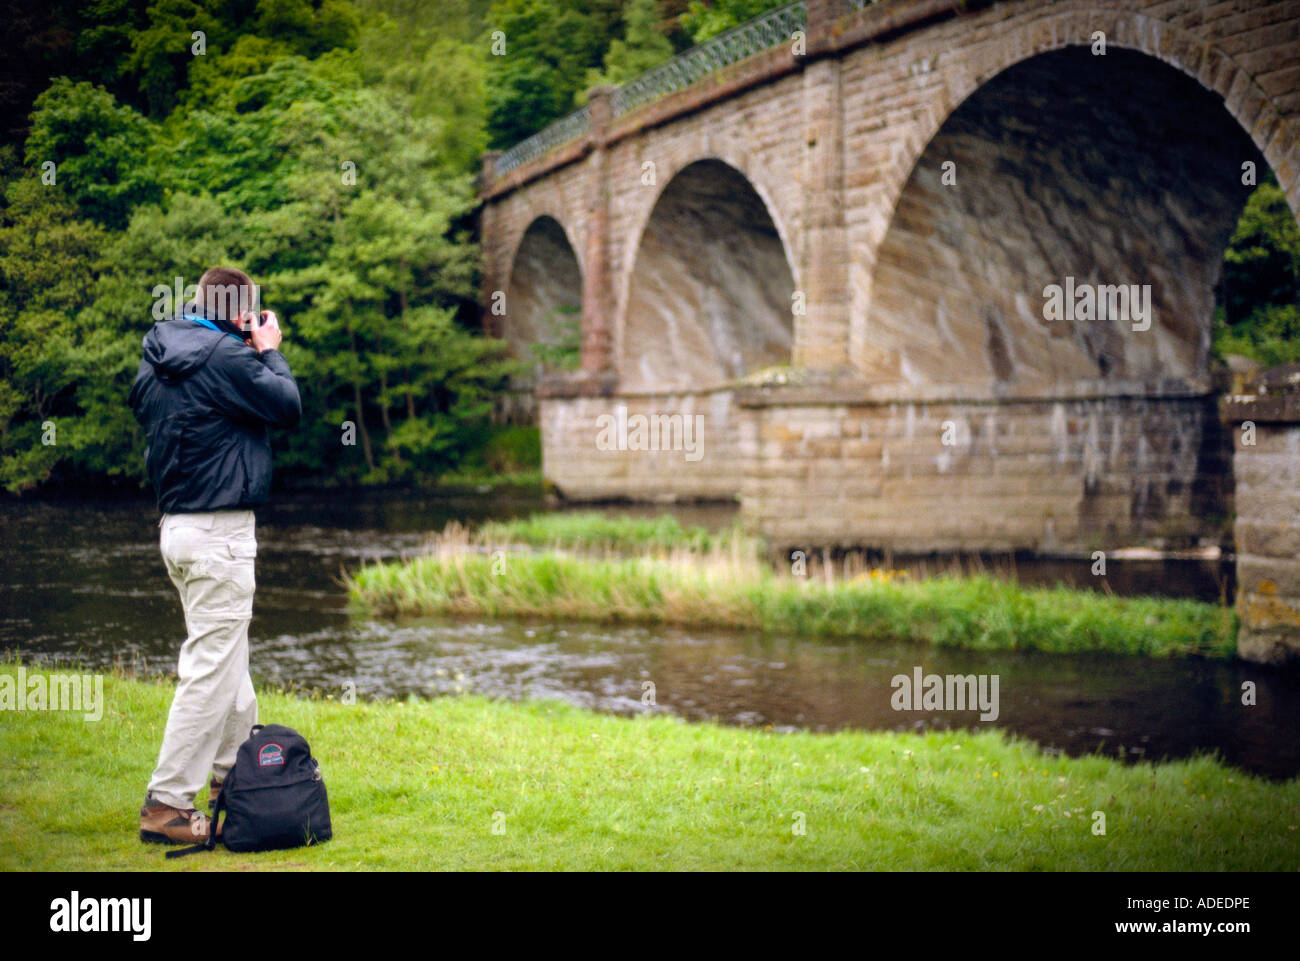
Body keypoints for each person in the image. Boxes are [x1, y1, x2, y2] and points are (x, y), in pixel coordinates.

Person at [127, 266, 301, 844]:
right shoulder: (228, 357)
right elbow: (286, 406)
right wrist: (268, 351)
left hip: (177, 528)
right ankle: (168, 804)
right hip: (219, 531)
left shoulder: (158, 359)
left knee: (229, 664)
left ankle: (234, 785)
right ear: (238, 313)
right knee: (210, 669)